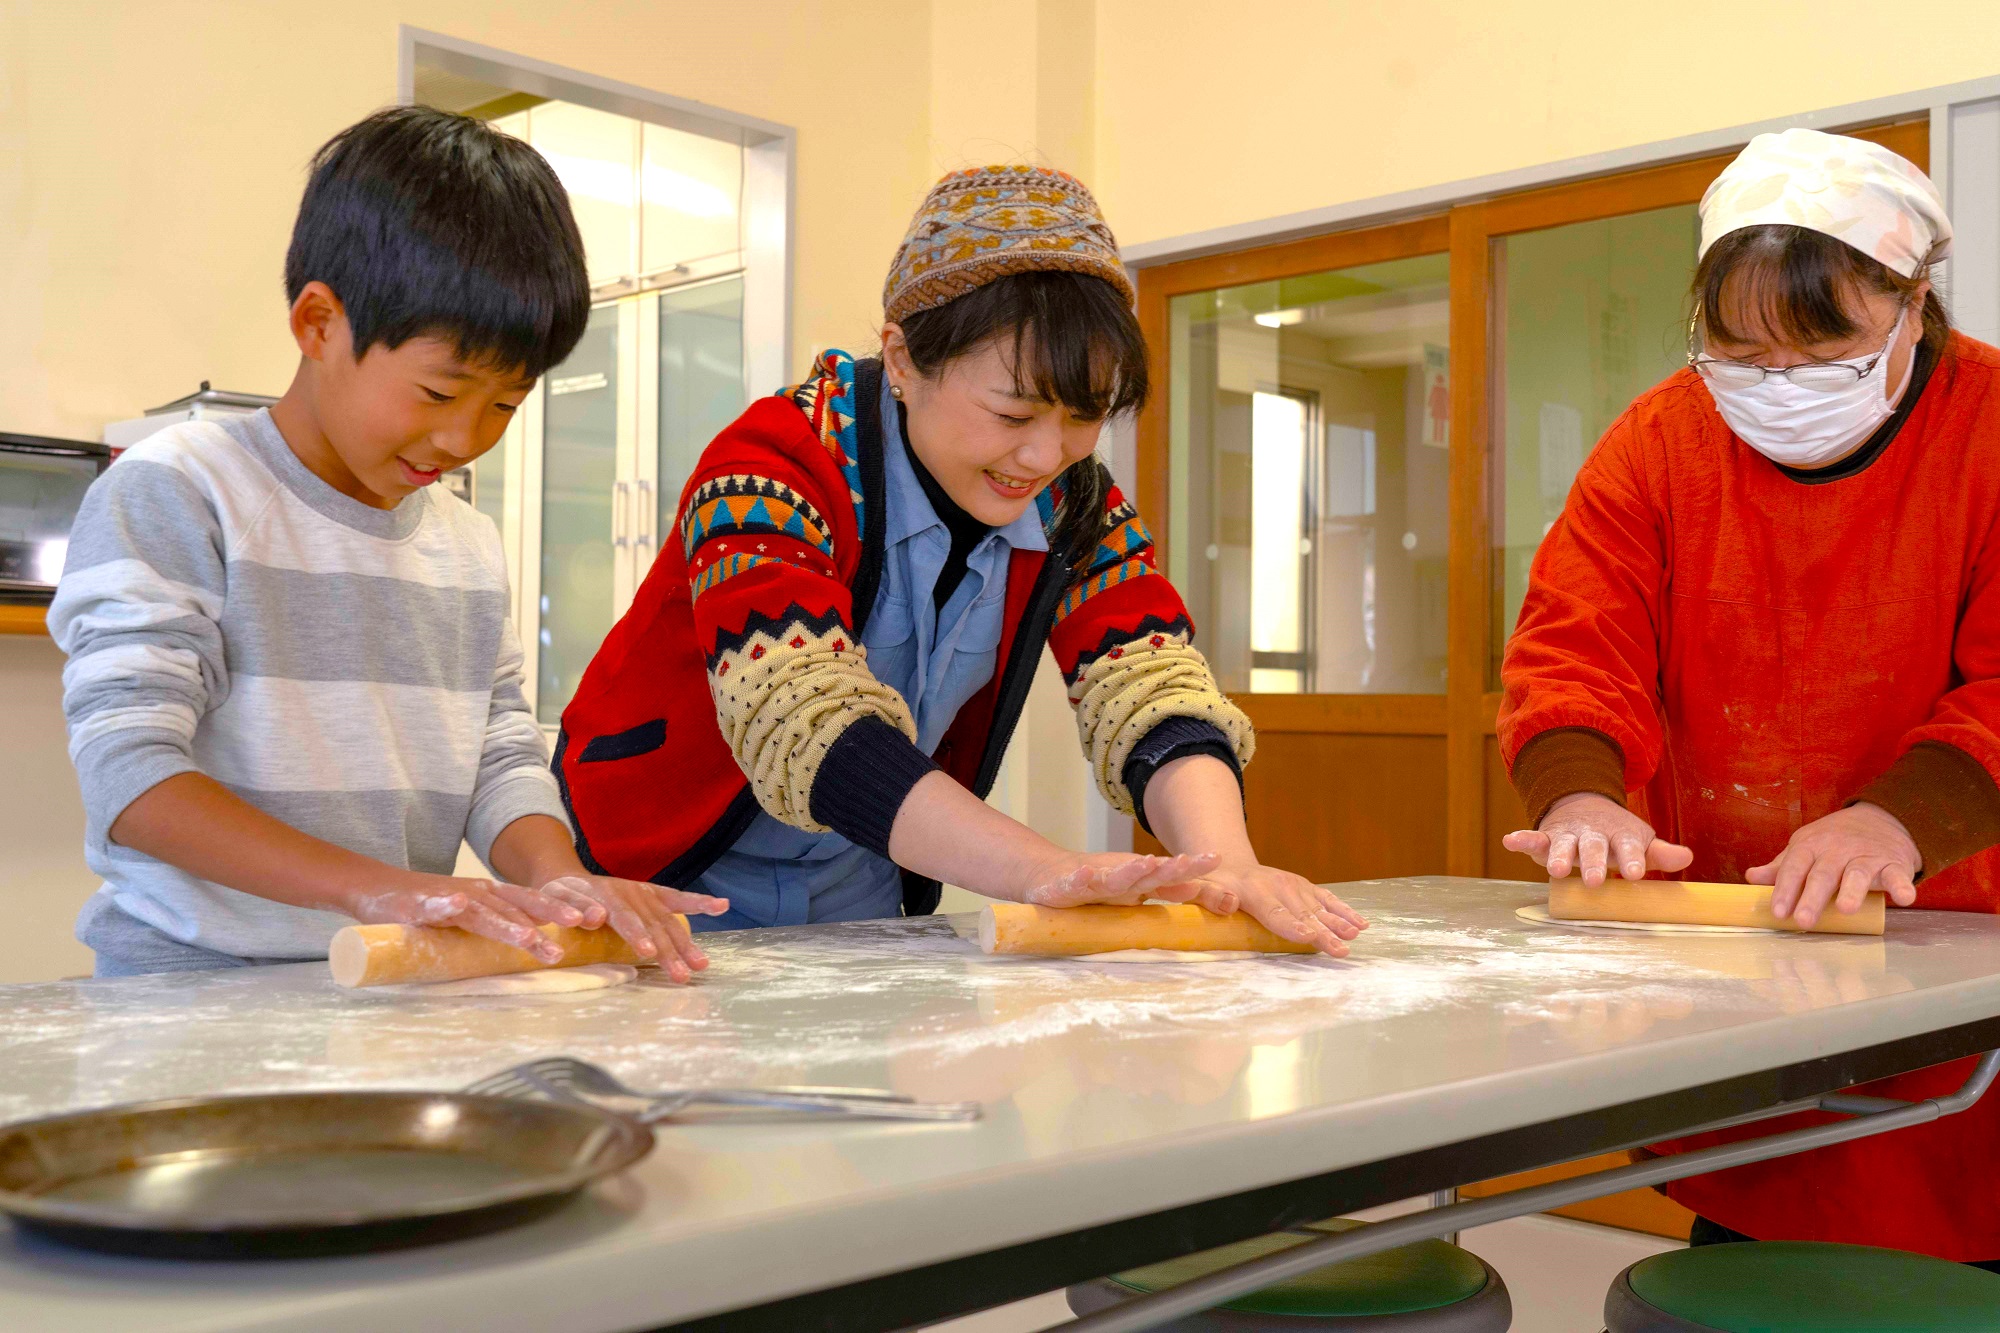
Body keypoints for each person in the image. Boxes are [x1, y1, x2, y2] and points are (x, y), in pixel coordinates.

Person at [557, 165, 1364, 953]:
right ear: (902, 361)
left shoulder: (1073, 498)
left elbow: (1148, 679)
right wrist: (1045, 869)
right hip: (659, 868)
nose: (1045, 454)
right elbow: (801, 716)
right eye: (1013, 413)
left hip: (858, 871)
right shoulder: (773, 463)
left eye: (1082, 416)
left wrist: (1228, 866)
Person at [52, 107, 725, 981]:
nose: (464, 439)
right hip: (188, 986)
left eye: (505, 404)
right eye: (440, 392)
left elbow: (499, 757)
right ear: (318, 324)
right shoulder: (180, 491)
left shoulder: (465, 542)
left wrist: (558, 878)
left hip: (389, 978)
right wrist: (378, 890)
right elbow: (131, 777)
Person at [1498, 129, 2000, 1263]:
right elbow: (1572, 640)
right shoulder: (1658, 442)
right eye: (1740, 352)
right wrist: (1580, 794)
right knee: (1755, 1237)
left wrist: (1895, 822)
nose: (1778, 384)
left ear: (1912, 306)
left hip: (1960, 947)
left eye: (1822, 350)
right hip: (1748, 949)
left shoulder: (1987, 427)